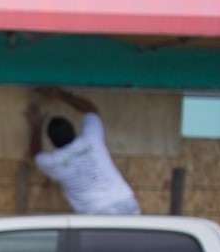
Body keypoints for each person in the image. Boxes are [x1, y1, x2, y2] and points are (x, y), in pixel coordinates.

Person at [25, 87, 141, 215]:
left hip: (98, 212)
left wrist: (36, 128)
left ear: (52, 142)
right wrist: (63, 96)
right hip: (125, 202)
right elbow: (90, 110)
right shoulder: (91, 140)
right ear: (74, 131)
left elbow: (35, 155)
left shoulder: (54, 162)